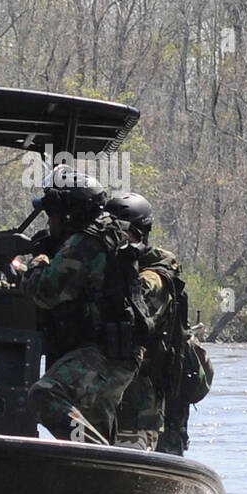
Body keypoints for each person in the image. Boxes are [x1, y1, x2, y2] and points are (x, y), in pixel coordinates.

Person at [23, 169, 147, 445]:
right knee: (90, 427)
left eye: (52, 214)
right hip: (117, 352)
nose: (50, 221)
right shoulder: (108, 233)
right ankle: (103, 477)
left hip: (103, 353)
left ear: (68, 214)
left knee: (44, 394)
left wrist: (38, 260)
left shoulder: (84, 243)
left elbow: (43, 292)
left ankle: (102, 462)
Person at [106, 193, 181, 451]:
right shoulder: (118, 268)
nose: (112, 238)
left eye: (119, 231)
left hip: (138, 411)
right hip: (109, 403)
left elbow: (134, 315)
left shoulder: (154, 279)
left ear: (138, 234)